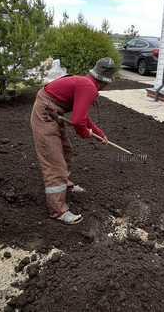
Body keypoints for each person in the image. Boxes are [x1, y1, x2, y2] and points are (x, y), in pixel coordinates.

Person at [31, 58, 116, 225]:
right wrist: (86, 133)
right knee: (55, 162)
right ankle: (58, 211)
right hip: (46, 114)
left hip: (53, 110)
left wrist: (99, 133)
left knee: (66, 150)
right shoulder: (88, 87)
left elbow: (82, 116)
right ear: (105, 82)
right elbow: (78, 122)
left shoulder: (86, 83)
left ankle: (66, 185)